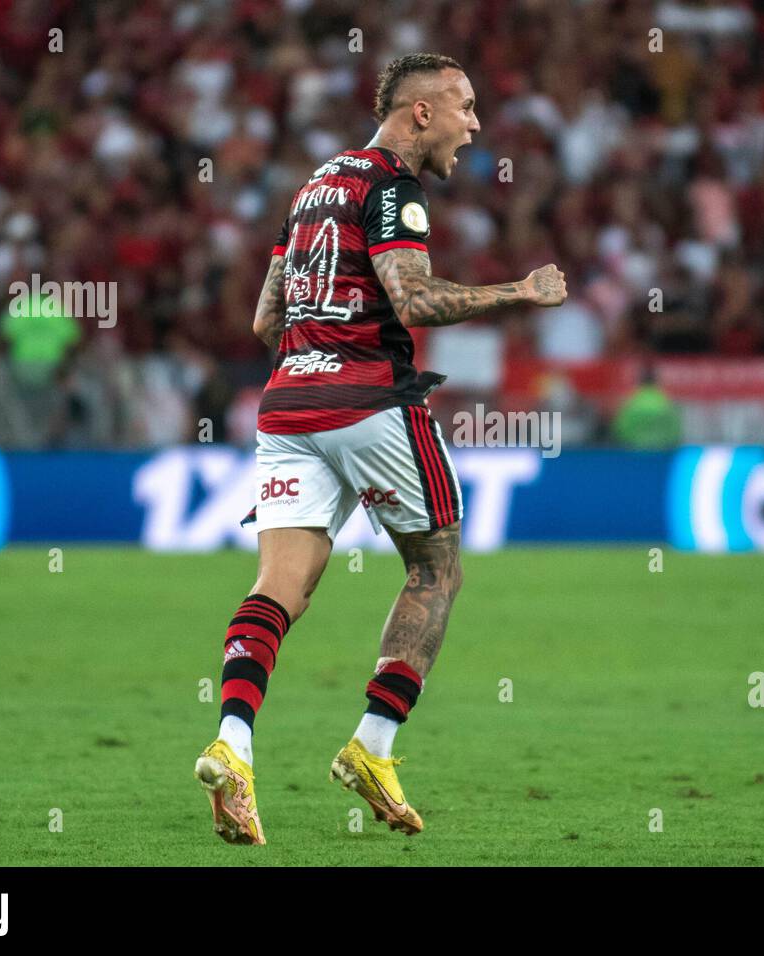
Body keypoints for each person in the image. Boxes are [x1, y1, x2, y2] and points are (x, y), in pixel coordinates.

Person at [194, 53, 567, 844]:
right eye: (464, 106)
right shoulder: (392, 188)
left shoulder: (309, 192)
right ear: (419, 113)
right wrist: (519, 292)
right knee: (437, 565)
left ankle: (233, 743)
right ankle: (374, 746)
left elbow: (266, 322)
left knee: (280, 589)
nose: (475, 124)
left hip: (288, 401)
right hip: (370, 399)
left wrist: (315, 359)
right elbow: (415, 296)